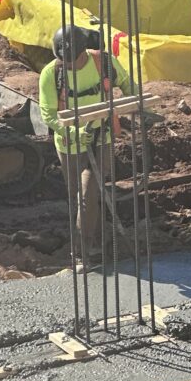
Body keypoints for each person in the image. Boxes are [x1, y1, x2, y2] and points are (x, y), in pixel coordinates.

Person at [38, 24, 132, 259]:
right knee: (80, 197)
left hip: (102, 138)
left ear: (82, 52)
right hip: (69, 144)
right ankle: (100, 239)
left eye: (71, 60)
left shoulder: (103, 63)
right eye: (63, 60)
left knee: (87, 194)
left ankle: (82, 253)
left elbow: (127, 82)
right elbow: (48, 115)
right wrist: (72, 133)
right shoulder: (52, 73)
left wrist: (135, 99)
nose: (67, 65)